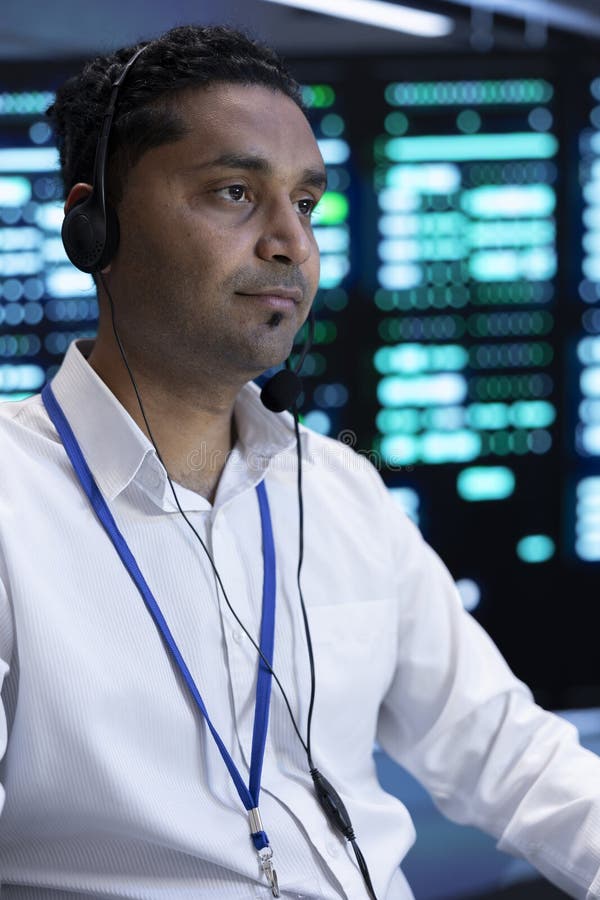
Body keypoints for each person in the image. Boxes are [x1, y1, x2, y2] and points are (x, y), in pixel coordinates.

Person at [0, 23, 599, 900]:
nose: (291, 243)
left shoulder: (337, 488)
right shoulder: (14, 500)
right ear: (95, 227)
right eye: (235, 192)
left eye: (308, 203)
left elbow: (507, 754)